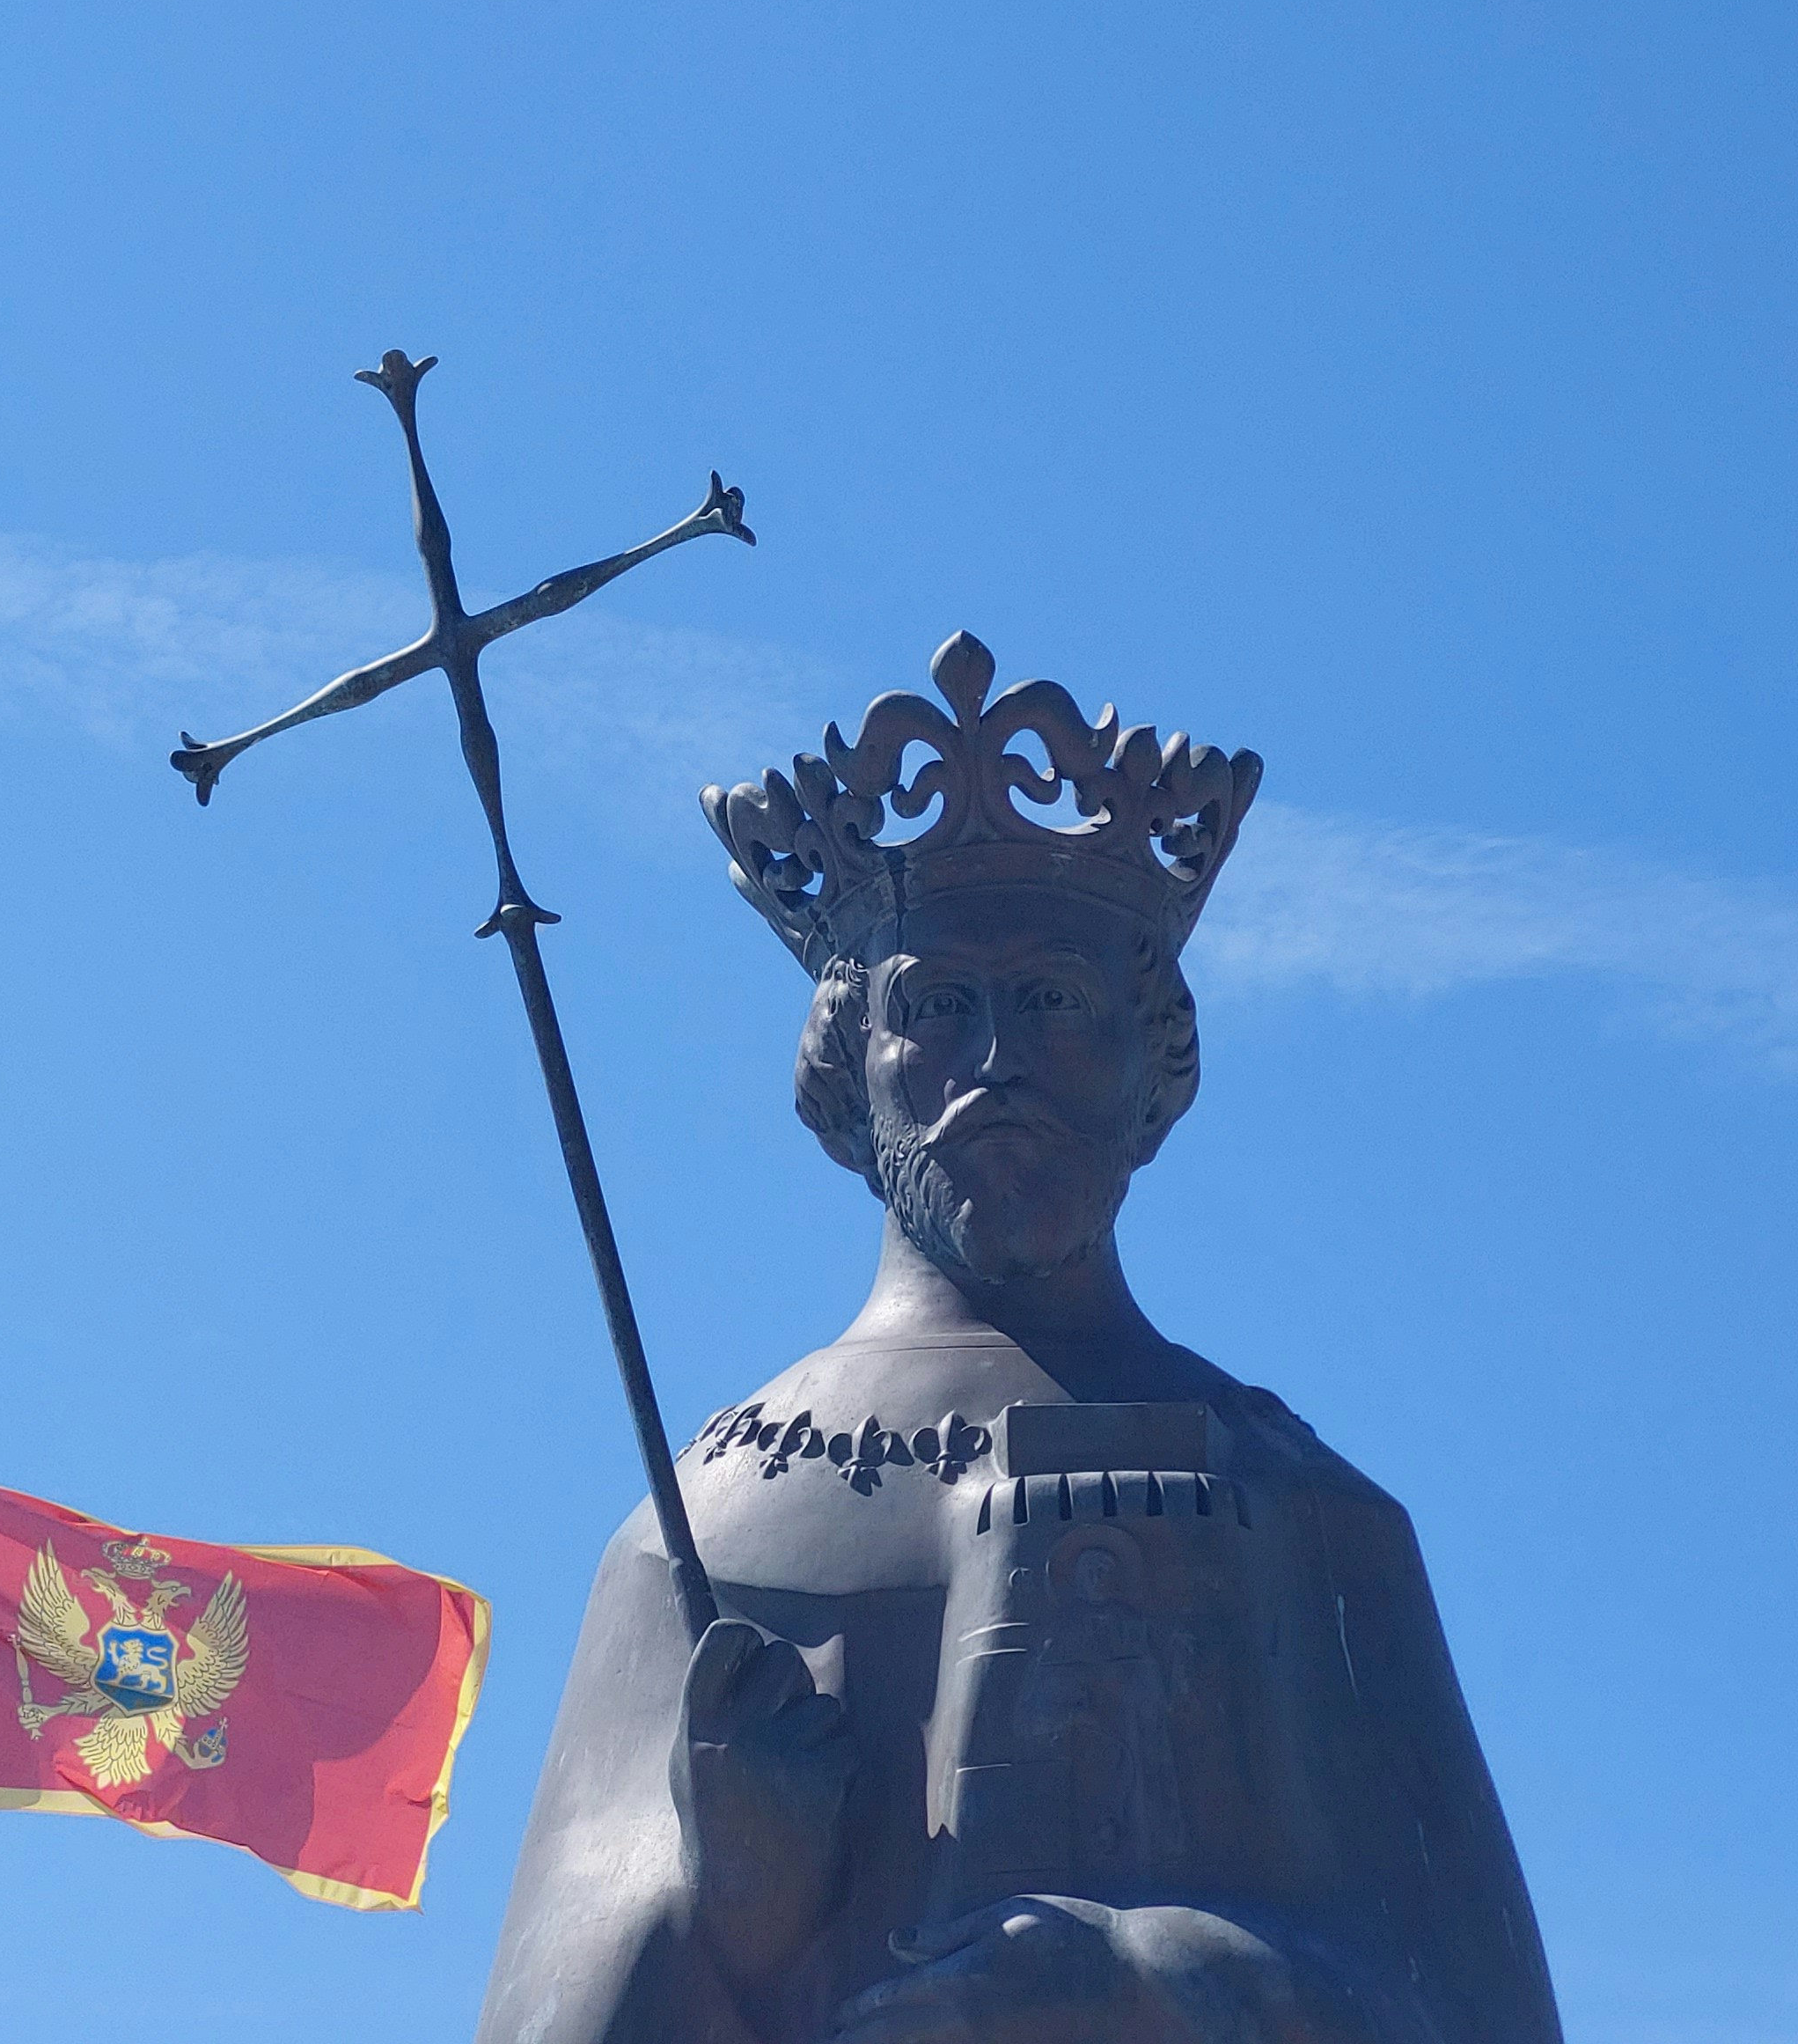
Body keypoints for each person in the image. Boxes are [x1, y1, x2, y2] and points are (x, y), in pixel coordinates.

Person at [476, 636, 1561, 2044]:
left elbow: (1484, 2015)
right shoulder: (705, 1532)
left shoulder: (1310, 1519)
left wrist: (1147, 1985)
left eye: (1053, 1001)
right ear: (845, 1067)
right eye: (937, 1006)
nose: (998, 1061)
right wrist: (717, 1921)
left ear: (1150, 1058)